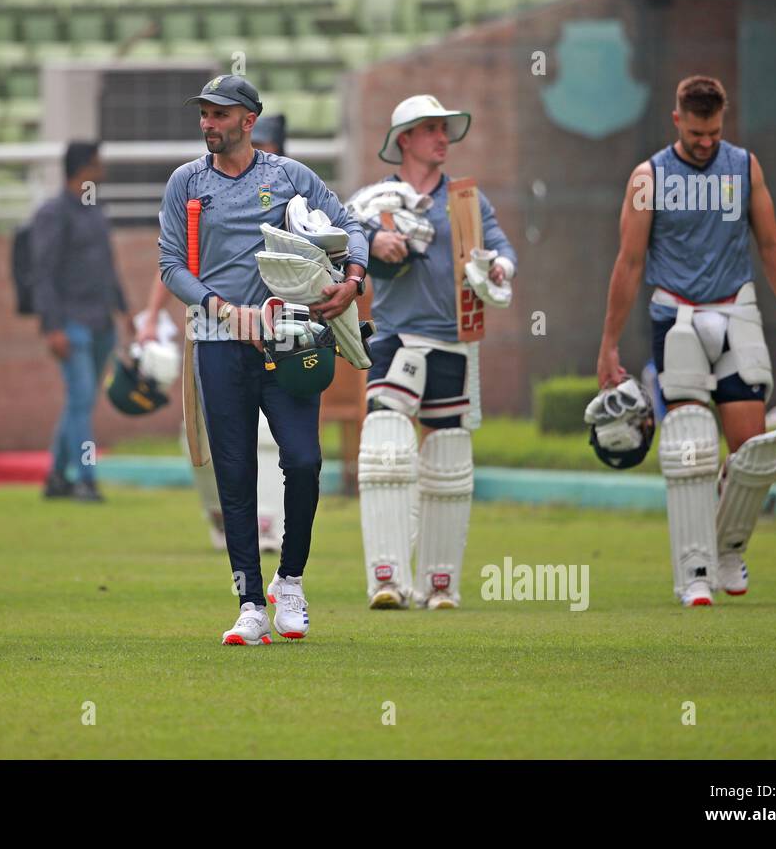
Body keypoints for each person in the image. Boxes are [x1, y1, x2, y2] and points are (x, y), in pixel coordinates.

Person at [159, 76, 368, 644]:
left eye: (219, 115)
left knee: (302, 462)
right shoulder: (185, 183)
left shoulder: (289, 176)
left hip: (291, 338)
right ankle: (250, 602)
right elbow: (171, 265)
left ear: (248, 121)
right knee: (234, 473)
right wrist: (221, 309)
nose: (208, 124)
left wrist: (352, 280)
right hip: (219, 343)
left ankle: (291, 581)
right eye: (203, 114)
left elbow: (351, 226)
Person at [595, 75, 776, 607]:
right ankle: (693, 571)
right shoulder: (648, 177)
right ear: (677, 121)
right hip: (676, 316)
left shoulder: (744, 165)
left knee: (750, 454)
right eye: (696, 133)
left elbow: (770, 242)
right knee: (691, 446)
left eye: (713, 131)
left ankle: (728, 547)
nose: (705, 141)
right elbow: (628, 262)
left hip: (735, 311)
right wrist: (609, 345)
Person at [353, 95, 517, 610]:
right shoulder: (376, 198)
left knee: (447, 458)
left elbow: (503, 251)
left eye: (445, 130)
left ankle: (438, 583)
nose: (442, 138)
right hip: (396, 335)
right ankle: (386, 578)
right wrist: (374, 243)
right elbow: (340, 240)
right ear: (405, 138)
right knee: (386, 449)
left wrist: (498, 270)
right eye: (430, 130)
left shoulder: (467, 199)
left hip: (452, 338)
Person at [138, 113, 290, 552]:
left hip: (274, 329)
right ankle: (221, 515)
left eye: (266, 143)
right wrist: (151, 317)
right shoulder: (201, 188)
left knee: (269, 434)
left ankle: (267, 524)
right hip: (212, 328)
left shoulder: (289, 192)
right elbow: (174, 263)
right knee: (202, 434)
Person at [31, 141, 134, 503]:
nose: (102, 170)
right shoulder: (54, 213)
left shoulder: (94, 211)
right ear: (83, 169)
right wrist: (53, 326)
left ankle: (57, 477)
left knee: (81, 400)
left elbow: (109, 267)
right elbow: (41, 274)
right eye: (96, 164)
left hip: (101, 320)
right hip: (71, 321)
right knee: (80, 399)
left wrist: (125, 311)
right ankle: (84, 479)